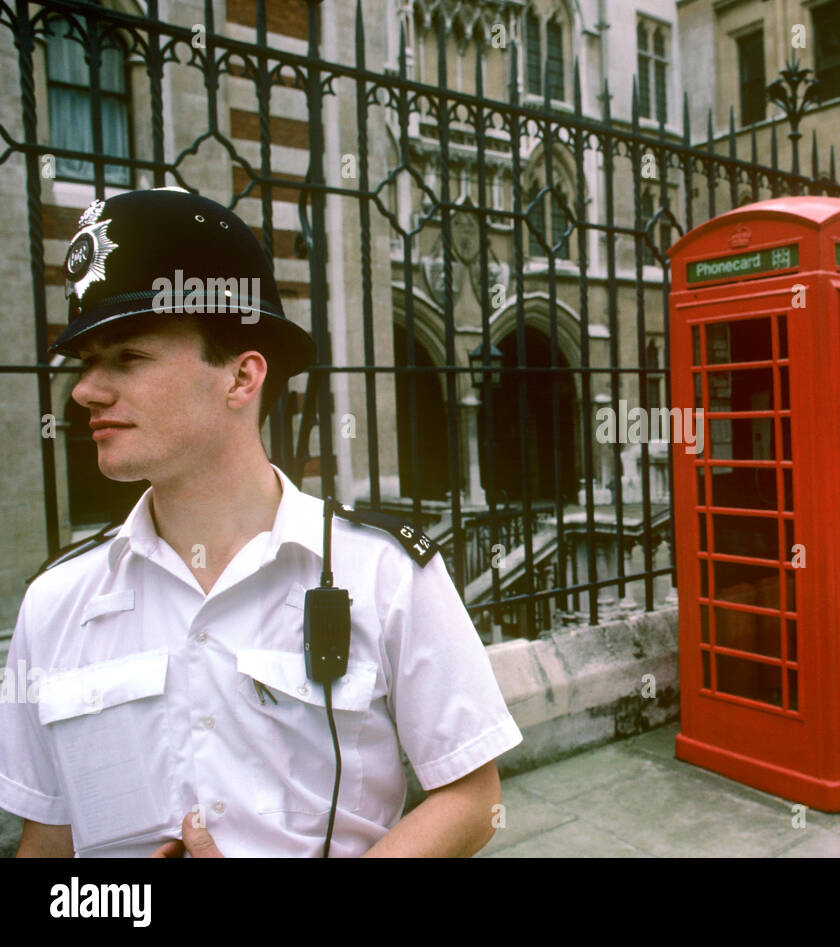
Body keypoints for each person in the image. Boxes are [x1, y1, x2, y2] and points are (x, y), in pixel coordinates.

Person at [0, 187, 522, 857]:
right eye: (86, 362)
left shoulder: (385, 573)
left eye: (127, 357)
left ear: (242, 378)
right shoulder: (55, 605)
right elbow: (47, 838)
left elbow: (474, 797)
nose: (85, 390)